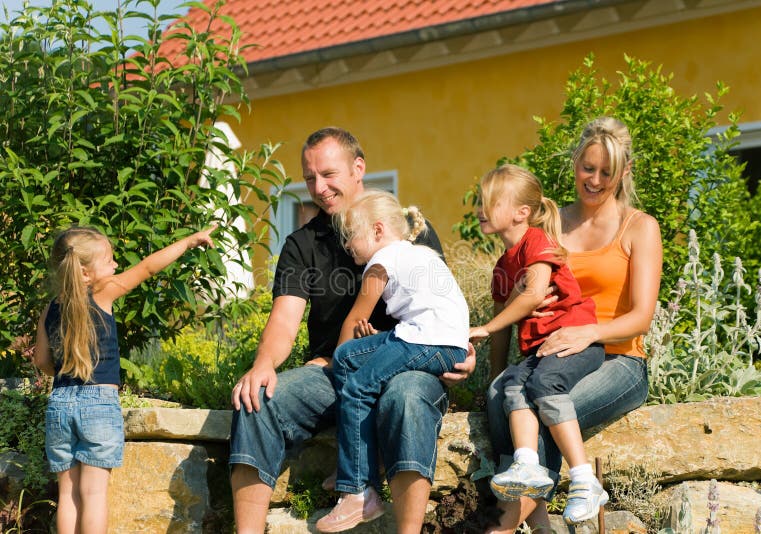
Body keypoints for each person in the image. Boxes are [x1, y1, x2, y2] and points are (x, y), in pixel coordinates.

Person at [228, 127, 475, 534]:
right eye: (309, 178)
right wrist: (263, 364)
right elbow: (284, 320)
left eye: (328, 174)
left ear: (359, 168)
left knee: (406, 398)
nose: (318, 188)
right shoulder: (302, 244)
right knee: (257, 399)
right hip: (332, 373)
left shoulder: (406, 228)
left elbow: (444, 303)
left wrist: (464, 351)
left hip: (412, 368)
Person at [485, 117, 662, 533]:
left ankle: (504, 526)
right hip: (551, 355)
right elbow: (511, 292)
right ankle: (539, 525)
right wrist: (495, 369)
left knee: (545, 403)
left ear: (625, 171)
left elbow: (641, 317)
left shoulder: (640, 227)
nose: (595, 180)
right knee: (498, 393)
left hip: (618, 358)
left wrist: (589, 331)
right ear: (575, 163)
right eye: (588, 168)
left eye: (606, 172)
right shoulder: (549, 226)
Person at [32, 225, 216, 534]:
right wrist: (188, 241)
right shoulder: (104, 292)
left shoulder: (50, 308)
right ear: (86, 273)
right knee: (93, 495)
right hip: (98, 406)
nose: (116, 264)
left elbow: (41, 361)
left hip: (60, 403)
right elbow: (147, 267)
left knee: (68, 495)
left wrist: (65, 373)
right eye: (110, 260)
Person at [316, 190, 470, 532]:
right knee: (349, 357)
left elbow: (356, 317)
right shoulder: (421, 253)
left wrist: (332, 374)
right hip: (447, 344)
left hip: (424, 338)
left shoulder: (381, 260)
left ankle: (359, 491)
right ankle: (362, 459)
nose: (346, 244)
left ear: (377, 230)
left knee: (357, 386)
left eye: (350, 235)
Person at [468, 164, 607, 524]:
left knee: (545, 384)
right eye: (480, 202)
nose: (480, 209)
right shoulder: (503, 266)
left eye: (490, 202)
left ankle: (584, 479)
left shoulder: (538, 241)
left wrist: (485, 327)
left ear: (521, 212)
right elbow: (503, 329)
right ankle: (527, 464)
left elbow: (532, 295)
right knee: (512, 386)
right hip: (541, 350)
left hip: (574, 341)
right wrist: (496, 374)